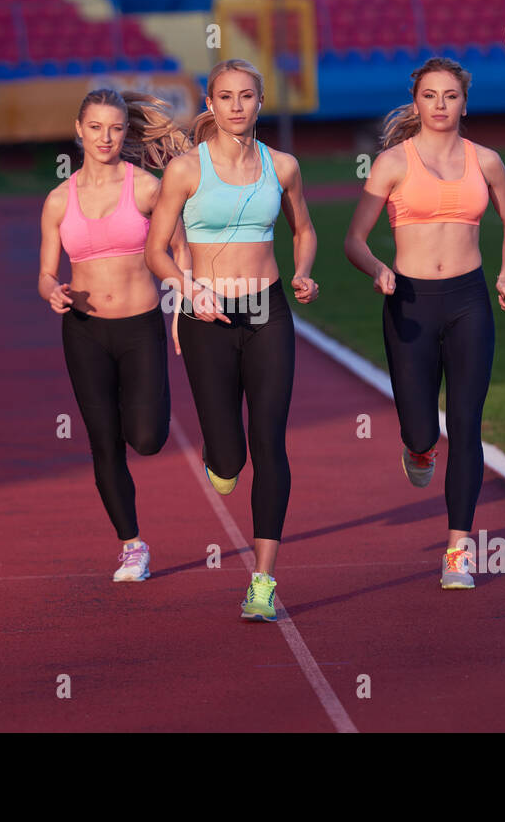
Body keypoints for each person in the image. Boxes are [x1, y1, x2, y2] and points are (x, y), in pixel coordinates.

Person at [145, 59, 319, 621]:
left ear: (260, 102)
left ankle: (263, 580)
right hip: (207, 317)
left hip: (268, 310)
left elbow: (304, 230)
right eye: (226, 96)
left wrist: (302, 271)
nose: (237, 106)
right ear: (211, 104)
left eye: (246, 96)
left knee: (270, 441)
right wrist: (186, 290)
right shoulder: (185, 171)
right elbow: (155, 251)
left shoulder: (284, 166)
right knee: (229, 455)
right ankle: (222, 459)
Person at [343, 57, 505, 590]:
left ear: (465, 103)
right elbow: (354, 238)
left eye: (450, 96)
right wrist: (378, 269)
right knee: (423, 428)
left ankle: (457, 552)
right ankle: (417, 446)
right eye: (430, 95)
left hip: (469, 300)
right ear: (415, 100)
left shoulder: (487, 161)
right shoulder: (392, 164)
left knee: (467, 425)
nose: (440, 105)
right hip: (410, 302)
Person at [37, 88, 191, 582]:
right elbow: (44, 271)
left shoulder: (146, 188)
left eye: (116, 128)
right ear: (78, 130)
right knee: (103, 443)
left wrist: (181, 305)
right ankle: (132, 546)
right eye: (96, 127)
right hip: (83, 331)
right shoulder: (59, 200)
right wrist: (52, 292)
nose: (106, 137)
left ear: (126, 132)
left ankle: (139, 416)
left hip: (140, 325)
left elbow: (180, 251)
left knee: (146, 438)